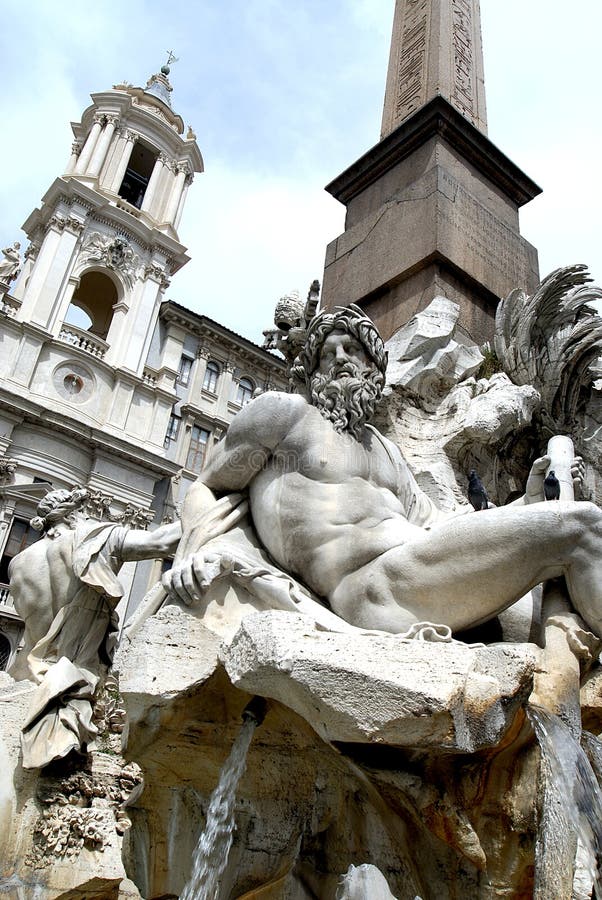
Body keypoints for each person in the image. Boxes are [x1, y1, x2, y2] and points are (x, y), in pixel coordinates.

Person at [166, 305, 602, 642]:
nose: (340, 359)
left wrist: (528, 502)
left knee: (552, 599)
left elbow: (440, 525)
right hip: (373, 588)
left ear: (374, 367)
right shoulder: (285, 416)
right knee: (583, 526)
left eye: (351, 350)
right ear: (312, 371)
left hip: (423, 569)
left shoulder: (386, 450)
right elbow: (206, 485)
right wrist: (192, 551)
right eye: (327, 354)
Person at [9, 487, 180, 768]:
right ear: (74, 515)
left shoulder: (19, 562)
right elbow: (161, 542)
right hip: (69, 686)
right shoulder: (94, 540)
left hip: (25, 678)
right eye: (87, 513)